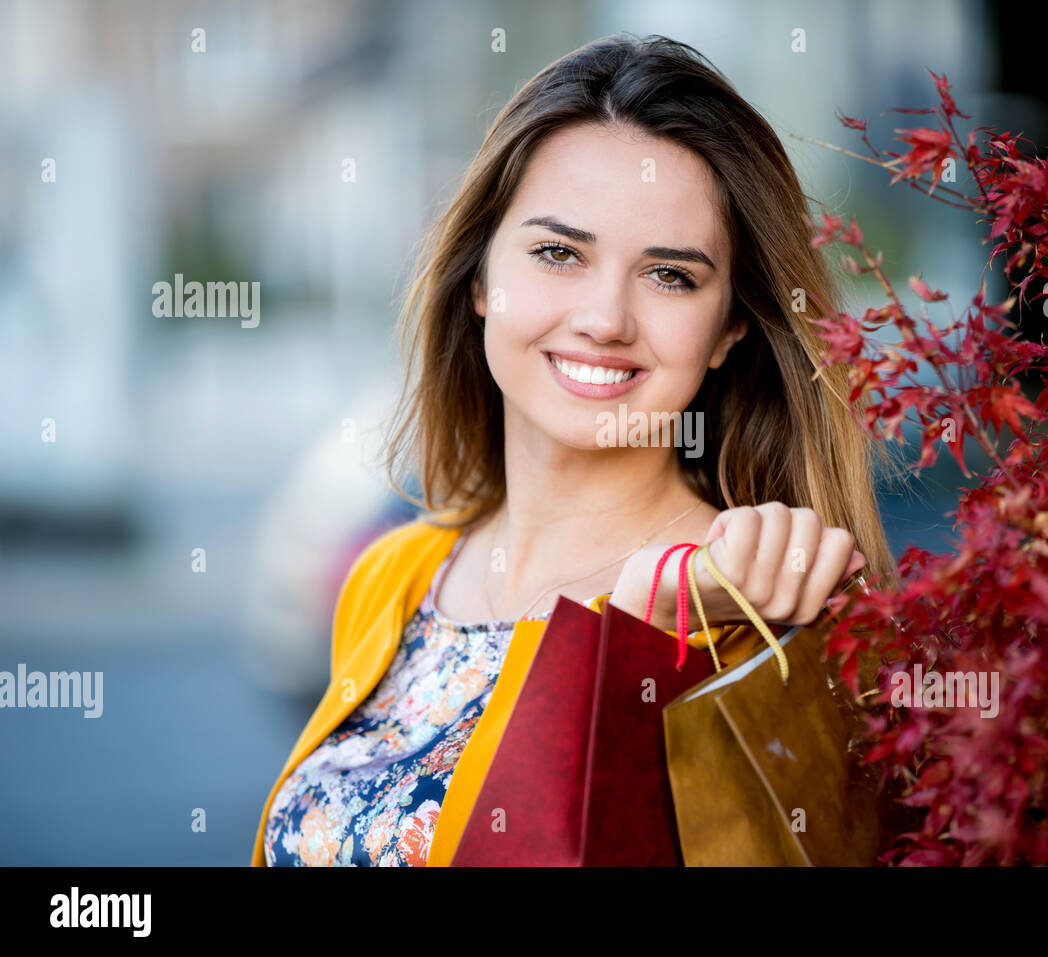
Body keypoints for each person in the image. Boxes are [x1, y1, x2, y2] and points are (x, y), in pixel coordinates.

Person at [252, 32, 898, 867]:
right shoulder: (394, 575)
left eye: (670, 275)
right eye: (559, 253)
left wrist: (635, 647)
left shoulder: (747, 612)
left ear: (730, 327)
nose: (604, 318)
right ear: (481, 278)